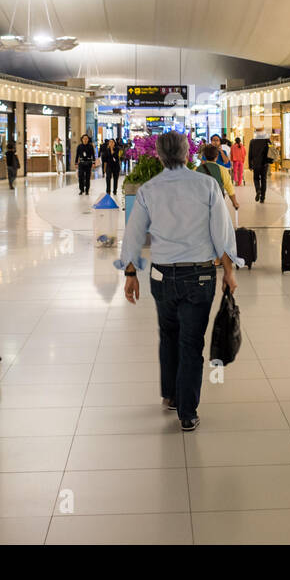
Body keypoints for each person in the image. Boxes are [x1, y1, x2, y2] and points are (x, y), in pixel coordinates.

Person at [117, 131, 238, 433]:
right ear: (188, 154)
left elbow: (133, 234)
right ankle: (187, 412)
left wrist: (131, 273)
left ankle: (171, 395)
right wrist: (229, 271)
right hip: (198, 275)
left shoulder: (149, 189)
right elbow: (221, 232)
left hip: (161, 275)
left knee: (168, 334)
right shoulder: (207, 185)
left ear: (158, 155)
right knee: (190, 342)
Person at [199, 144, 239, 212]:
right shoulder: (222, 169)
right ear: (217, 156)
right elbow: (229, 187)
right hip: (218, 200)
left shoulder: (197, 169)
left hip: (201, 201)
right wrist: (234, 202)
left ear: (204, 156)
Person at [247, 135, 271, 202]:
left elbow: (250, 154)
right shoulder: (266, 140)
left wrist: (250, 165)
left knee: (256, 178)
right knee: (264, 180)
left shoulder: (252, 141)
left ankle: (258, 190)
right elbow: (271, 149)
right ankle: (262, 197)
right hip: (264, 164)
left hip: (256, 164)